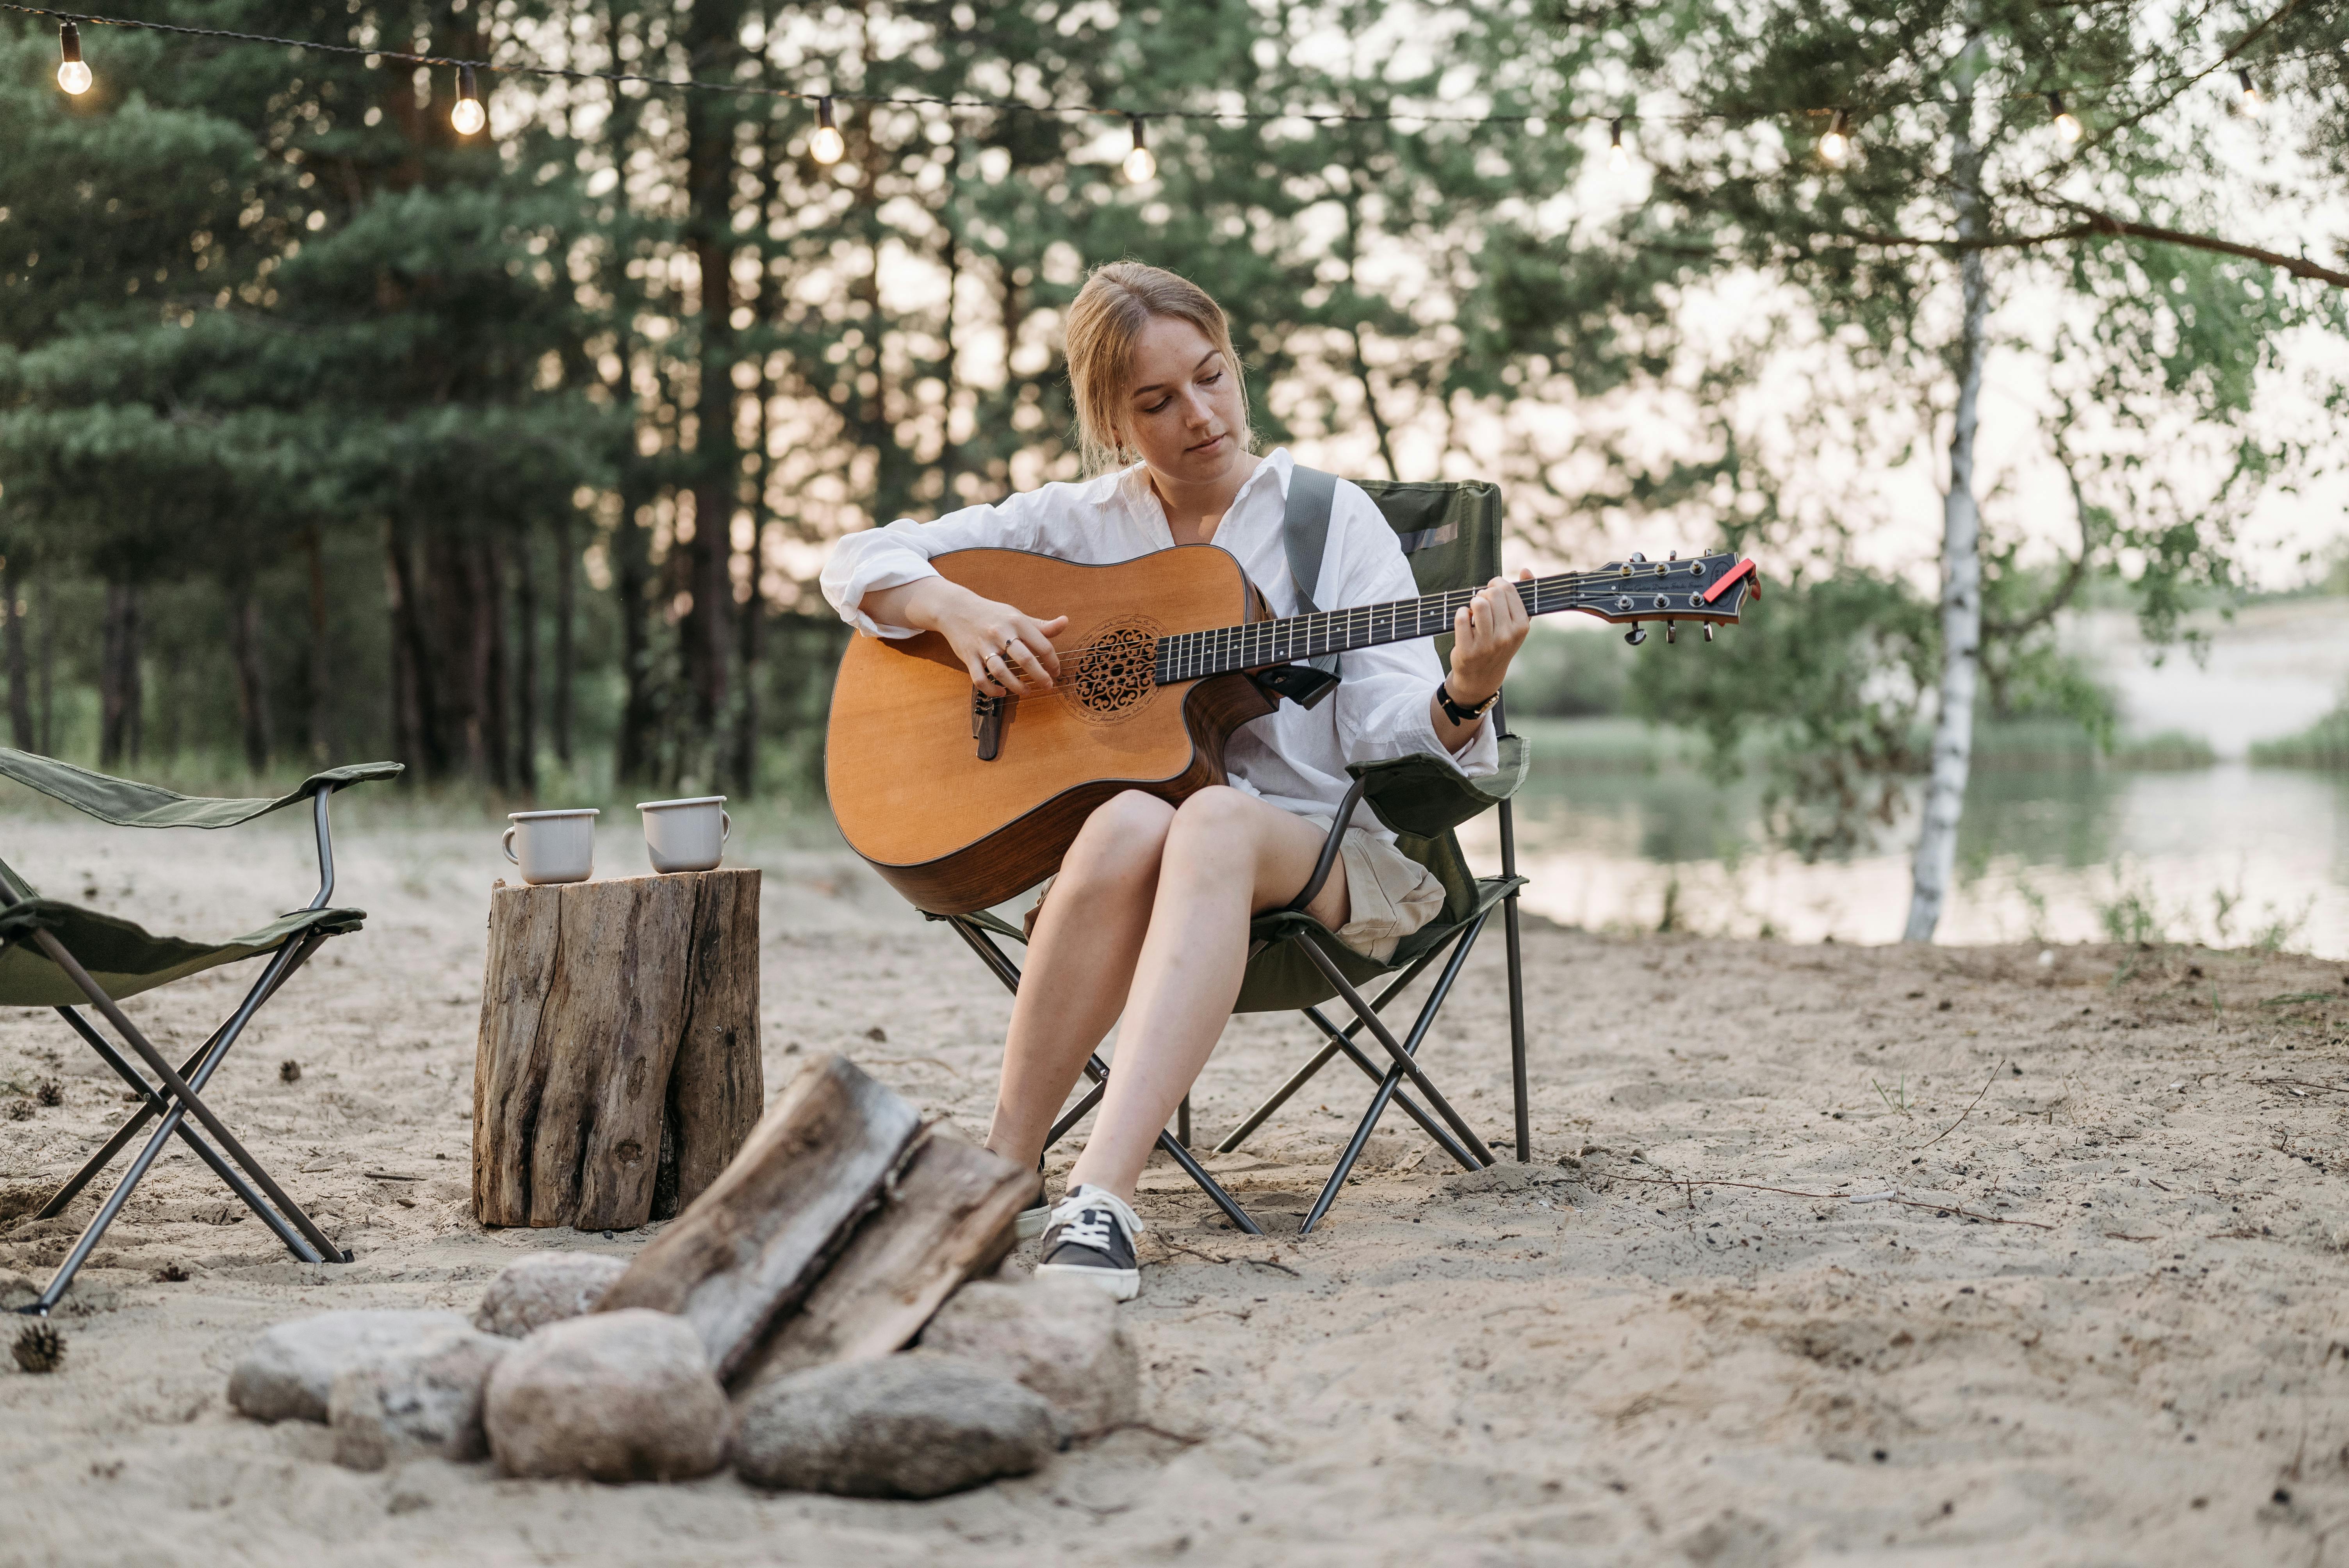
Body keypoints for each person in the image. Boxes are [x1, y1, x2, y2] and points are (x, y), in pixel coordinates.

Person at [822, 262, 1531, 1299]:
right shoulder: (1081, 523)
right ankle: (1003, 1170)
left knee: (1207, 817)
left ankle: (1103, 1195)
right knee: (1121, 823)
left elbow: (1391, 724)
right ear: (1110, 420)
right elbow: (858, 558)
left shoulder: (1327, 522)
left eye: (1210, 378)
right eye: (1157, 402)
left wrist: (1467, 690)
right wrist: (959, 614)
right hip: (1136, 878)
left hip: (1327, 860)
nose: (1200, 417)